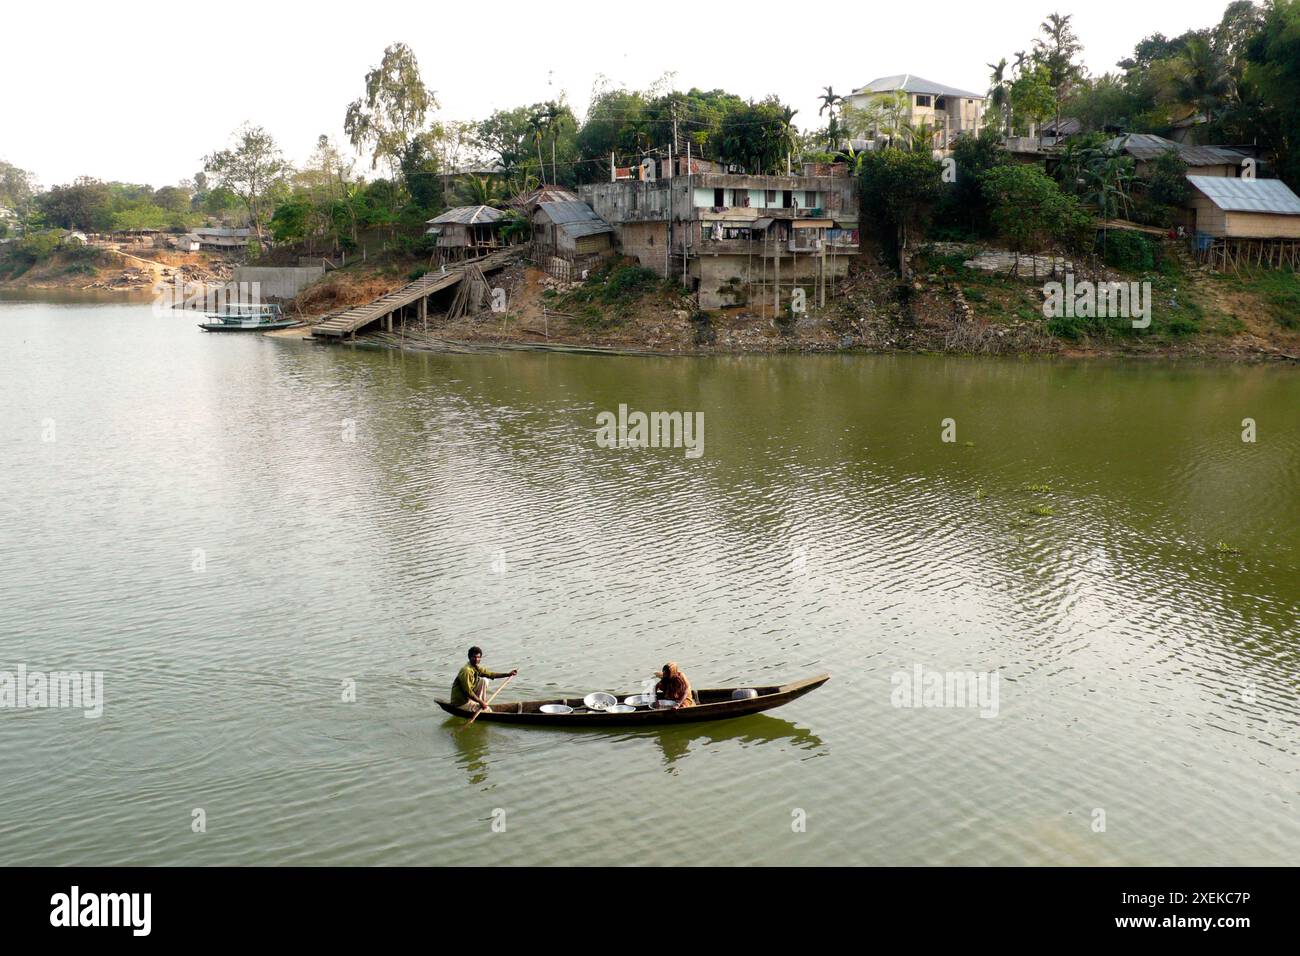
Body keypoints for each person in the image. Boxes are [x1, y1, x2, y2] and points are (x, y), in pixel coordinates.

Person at [450, 646, 517, 712]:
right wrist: (481, 702)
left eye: (478, 657)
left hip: (467, 697)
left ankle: (478, 703)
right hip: (460, 702)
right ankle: (479, 704)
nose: (476, 659)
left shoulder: (476, 667)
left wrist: (508, 674)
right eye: (474, 657)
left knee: (484, 680)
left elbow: (491, 674)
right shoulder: (466, 671)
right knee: (488, 711)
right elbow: (468, 692)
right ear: (469, 657)